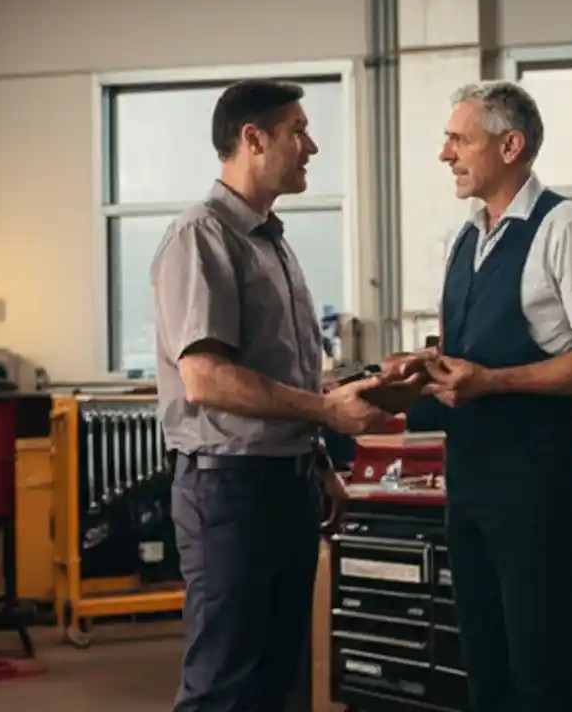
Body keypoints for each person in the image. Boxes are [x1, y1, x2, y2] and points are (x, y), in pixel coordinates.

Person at [150, 79, 395, 712]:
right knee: (226, 681)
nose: (311, 146)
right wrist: (325, 411)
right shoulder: (201, 238)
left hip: (283, 482)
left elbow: (284, 378)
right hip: (228, 490)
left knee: (279, 678)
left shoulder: (273, 244)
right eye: (298, 131)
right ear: (253, 139)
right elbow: (205, 378)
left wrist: (318, 460)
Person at [383, 80, 572, 711]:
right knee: (484, 662)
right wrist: (411, 375)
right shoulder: (465, 238)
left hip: (536, 485)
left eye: (458, 139)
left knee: (544, 669)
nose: (445, 154)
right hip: (469, 481)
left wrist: (494, 382)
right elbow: (458, 355)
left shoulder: (566, 225)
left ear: (511, 145)